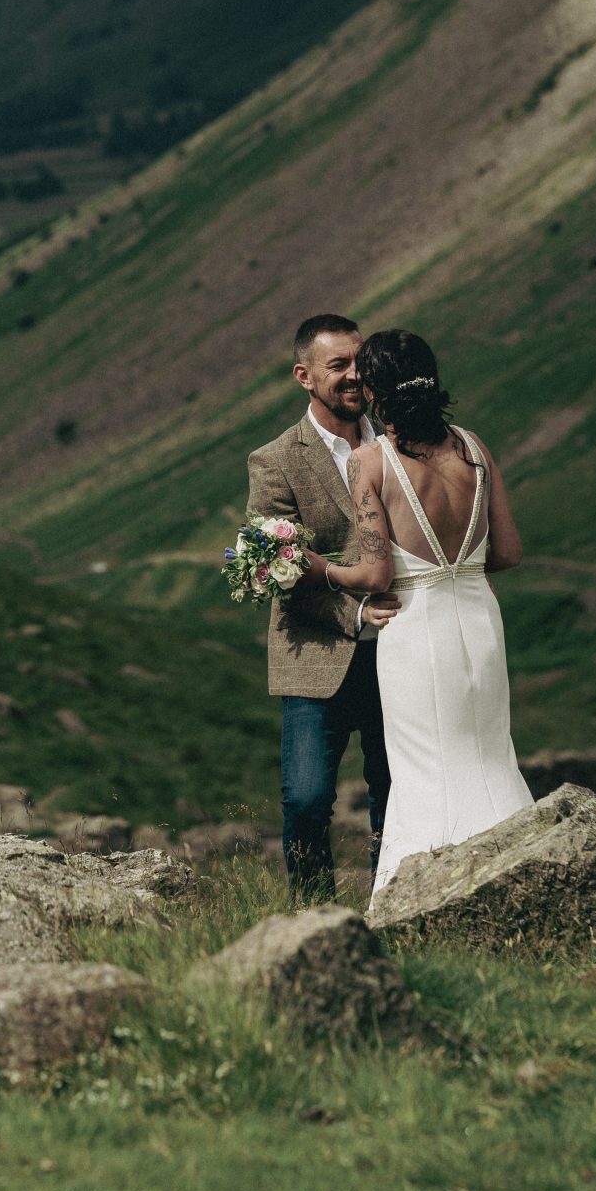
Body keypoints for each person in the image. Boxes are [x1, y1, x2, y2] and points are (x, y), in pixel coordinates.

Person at [313, 328, 531, 889]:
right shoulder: (474, 448)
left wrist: (319, 567)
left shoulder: (371, 461)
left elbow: (376, 573)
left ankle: (421, 897)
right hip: (479, 622)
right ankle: (520, 873)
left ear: (378, 391)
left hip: (417, 631)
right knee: (490, 756)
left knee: (423, 771)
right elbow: (507, 551)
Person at [246, 313, 397, 899]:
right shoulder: (276, 460)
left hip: (397, 651)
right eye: (339, 366)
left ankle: (394, 907)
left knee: (397, 791)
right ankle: (316, 918)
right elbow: (279, 567)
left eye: (360, 362)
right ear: (304, 376)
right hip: (315, 657)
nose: (355, 375)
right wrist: (356, 608)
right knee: (306, 800)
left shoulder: (396, 442)